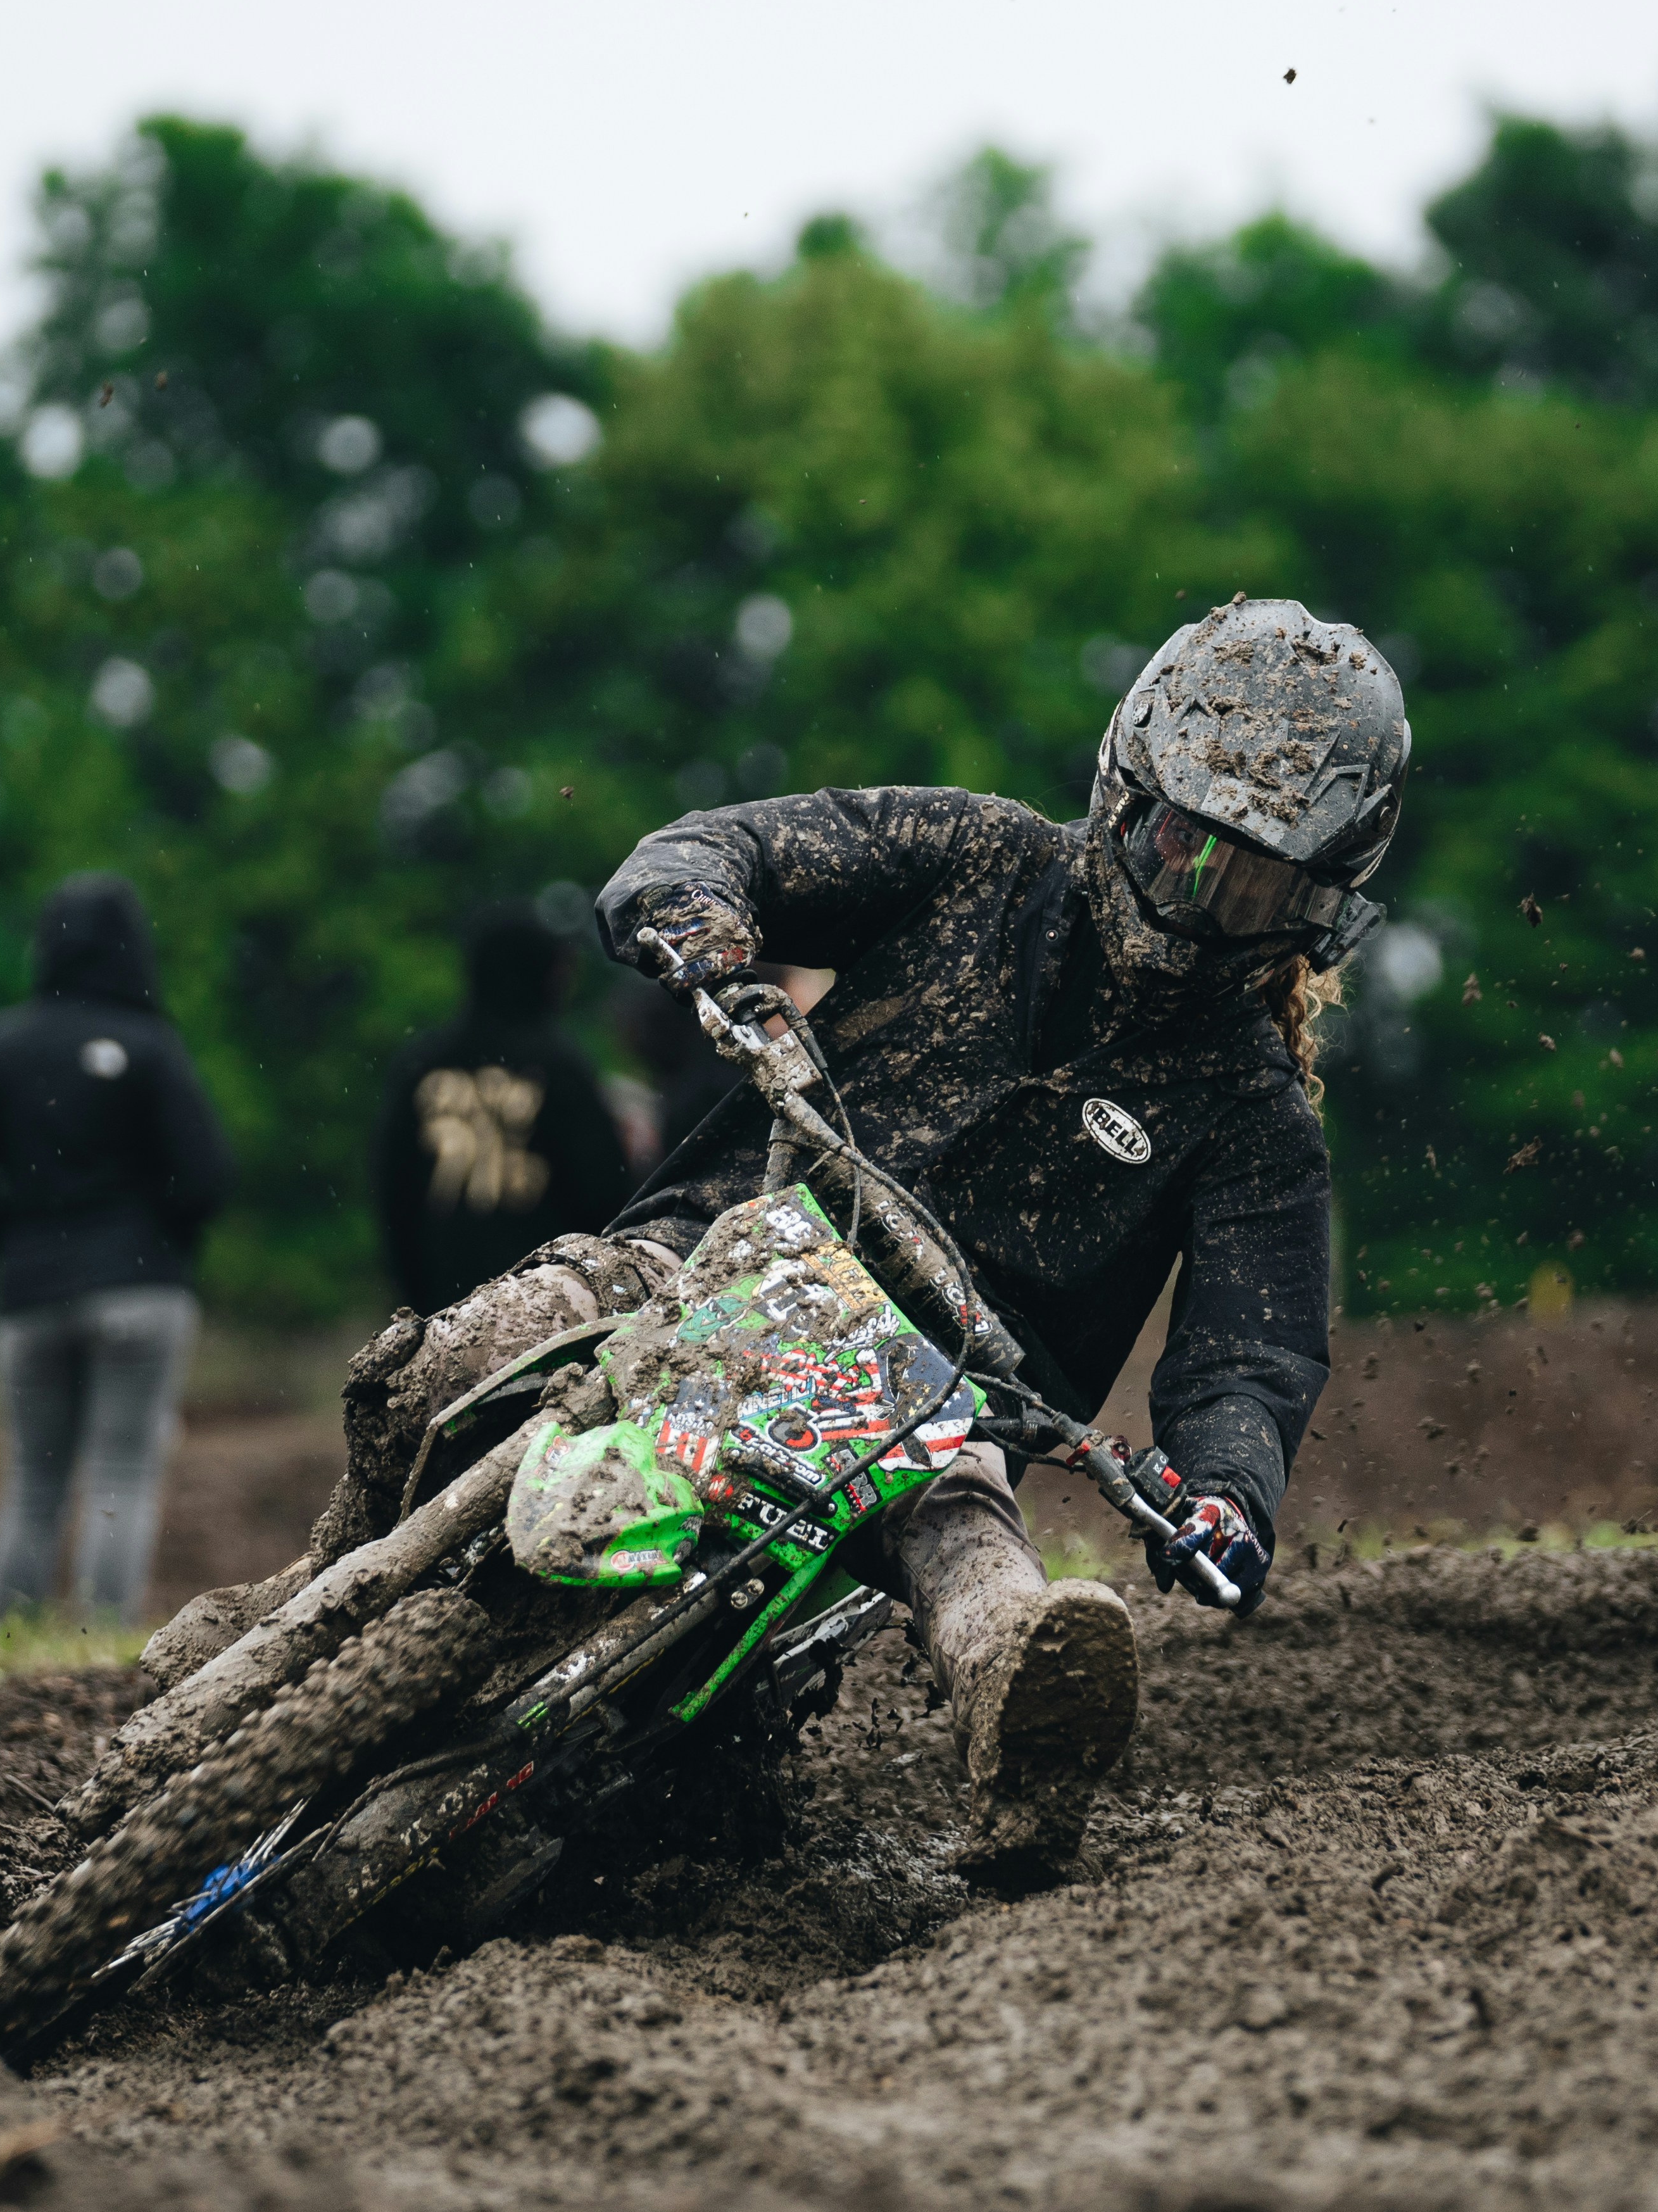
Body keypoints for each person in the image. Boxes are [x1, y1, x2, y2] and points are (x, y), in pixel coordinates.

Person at [315, 596, 1404, 1869]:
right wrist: (700, 921)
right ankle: (317, 1586)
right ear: (1125, 787)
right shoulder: (976, 856)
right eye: (1182, 848)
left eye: (1256, 881)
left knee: (972, 1548)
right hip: (701, 1251)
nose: (1202, 900)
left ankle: (1025, 1719)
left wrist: (1224, 1493)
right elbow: (728, 847)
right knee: (462, 1348)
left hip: (927, 1408)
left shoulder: (1254, 1109)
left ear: (1324, 901)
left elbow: (1249, 1352)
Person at [0, 873, 233, 1622]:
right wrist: (152, 1238)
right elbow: (207, 1178)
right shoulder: (151, 1046)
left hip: (30, 1294)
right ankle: (98, 1645)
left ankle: (7, 1648)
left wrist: (19, 1239)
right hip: (139, 1287)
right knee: (122, 1474)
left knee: (32, 1486)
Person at [371, 905, 637, 1312]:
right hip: (545, 1304)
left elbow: (394, 1190)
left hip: (440, 1297)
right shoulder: (559, 1065)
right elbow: (603, 1189)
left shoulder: (423, 1062)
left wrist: (413, 1295)